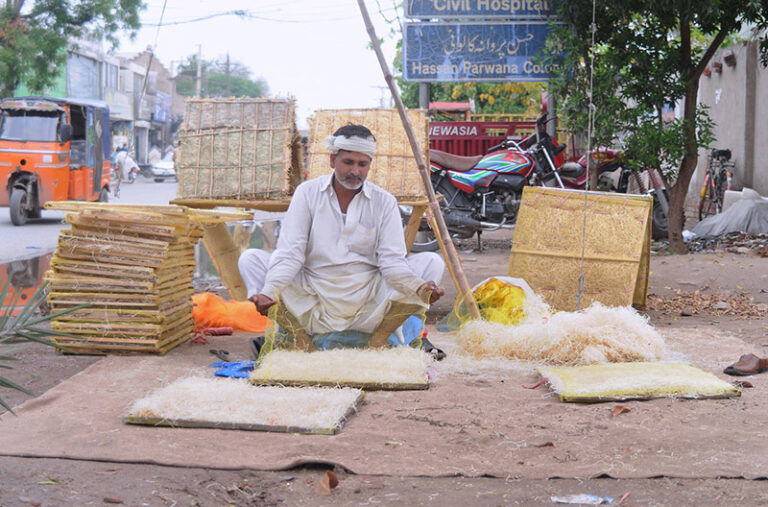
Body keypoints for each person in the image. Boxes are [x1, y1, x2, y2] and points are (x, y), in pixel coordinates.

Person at [239, 124, 446, 353]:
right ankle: (301, 339)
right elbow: (290, 254)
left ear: (369, 165)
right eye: (348, 162)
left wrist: (419, 287)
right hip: (312, 290)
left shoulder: (384, 202)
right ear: (332, 161)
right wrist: (269, 291)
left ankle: (377, 341)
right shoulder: (307, 193)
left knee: (431, 264)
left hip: (369, 295)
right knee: (251, 260)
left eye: (362, 164)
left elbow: (392, 262)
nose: (355, 171)